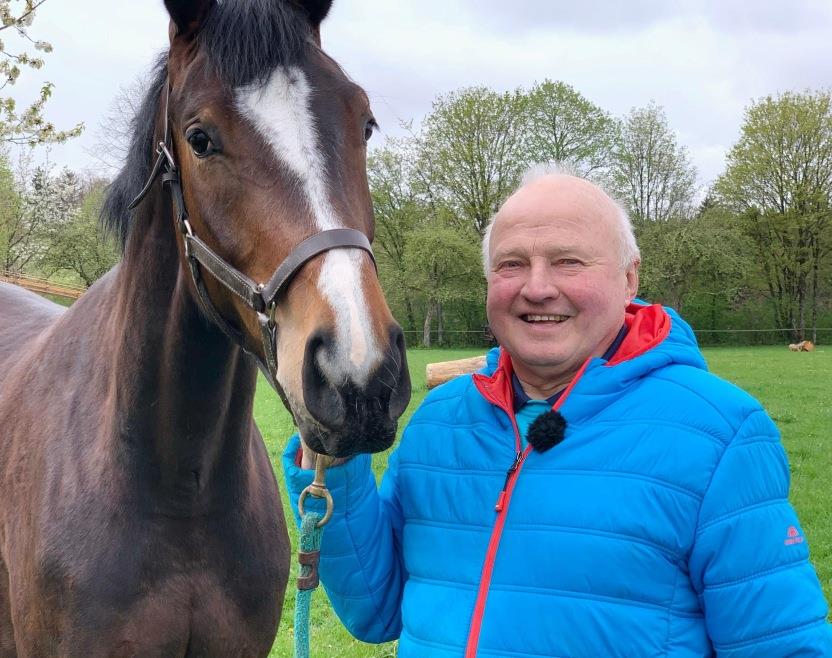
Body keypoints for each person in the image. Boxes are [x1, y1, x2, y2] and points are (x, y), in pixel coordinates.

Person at [283, 166, 832, 657]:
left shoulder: (719, 433)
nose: (537, 287)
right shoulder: (442, 420)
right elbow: (375, 611)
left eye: (568, 262)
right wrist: (338, 459)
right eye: (512, 264)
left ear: (629, 279)